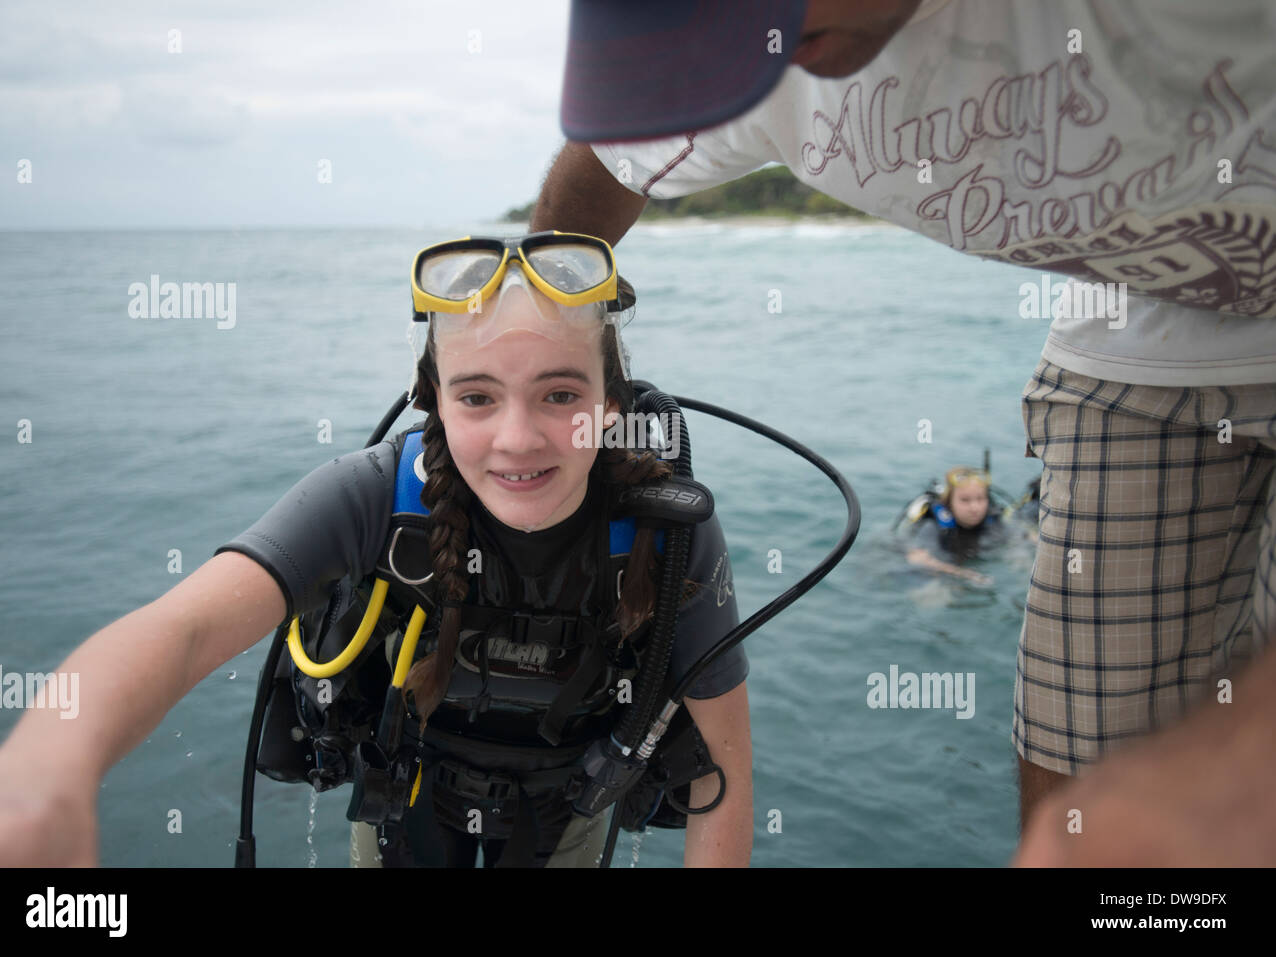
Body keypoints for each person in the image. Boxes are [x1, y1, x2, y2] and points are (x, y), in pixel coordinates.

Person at [536, 0, 1276, 863]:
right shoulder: (740, 56)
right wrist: (530, 376)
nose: (763, 50)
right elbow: (601, 173)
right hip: (1139, 333)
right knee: (1078, 802)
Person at [0, 231, 754, 868]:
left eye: (560, 394)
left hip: (571, 810)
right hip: (403, 799)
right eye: (477, 396)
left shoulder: (669, 529)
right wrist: (47, 769)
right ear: (435, 400)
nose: (518, 439)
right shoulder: (372, 495)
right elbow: (182, 630)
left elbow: (725, 763)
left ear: (609, 402)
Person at [902, 466, 1004, 586]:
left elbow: (1020, 539)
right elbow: (917, 559)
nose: (974, 508)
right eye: (965, 500)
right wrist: (965, 574)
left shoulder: (993, 522)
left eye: (980, 499)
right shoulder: (932, 527)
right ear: (950, 502)